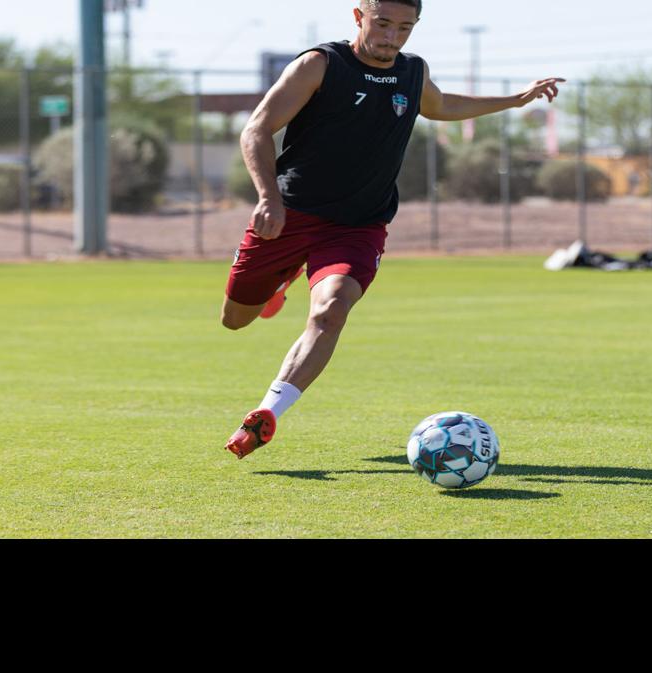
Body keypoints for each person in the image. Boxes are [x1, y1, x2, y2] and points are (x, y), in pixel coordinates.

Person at [220, 0, 563, 458]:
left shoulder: (413, 72)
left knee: (331, 310)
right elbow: (257, 130)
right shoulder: (320, 65)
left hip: (358, 225)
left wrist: (515, 100)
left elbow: (441, 105)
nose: (392, 37)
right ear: (358, 17)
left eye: (405, 27)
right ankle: (281, 280)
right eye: (382, 24)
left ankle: (267, 413)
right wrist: (268, 198)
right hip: (291, 214)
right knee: (235, 319)